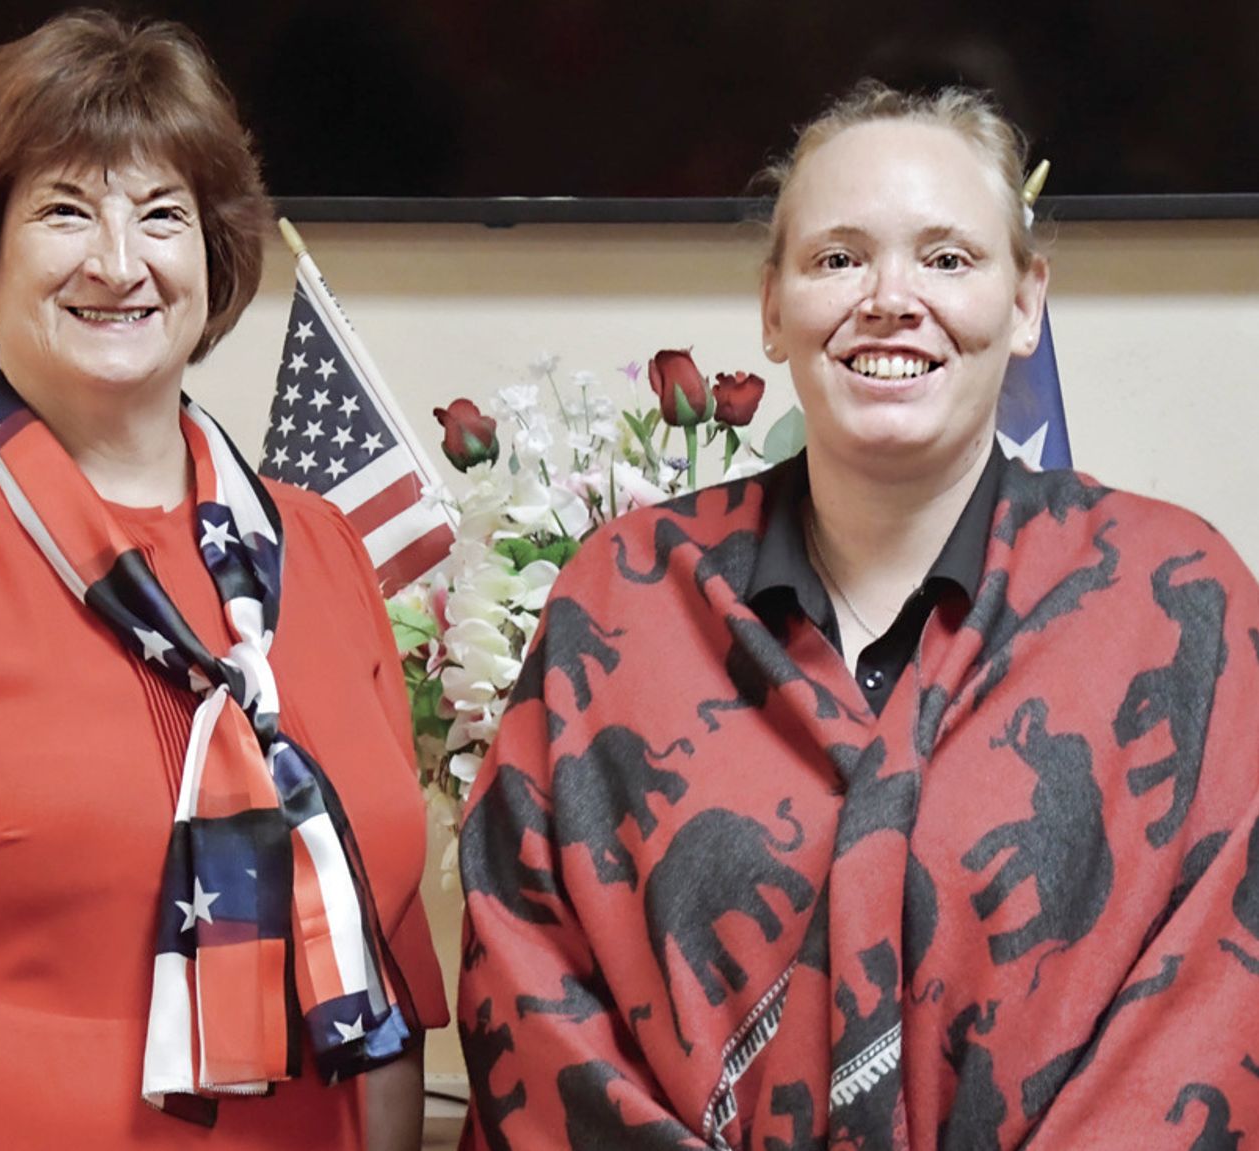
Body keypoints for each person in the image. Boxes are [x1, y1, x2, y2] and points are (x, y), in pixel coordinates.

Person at [457, 80, 1259, 1149]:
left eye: (948, 258)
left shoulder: (1175, 600)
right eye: (838, 258)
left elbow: (1221, 991)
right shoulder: (626, 595)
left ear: (1025, 304)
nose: (890, 296)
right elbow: (524, 973)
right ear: (772, 308)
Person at [0, 11, 446, 1150]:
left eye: (161, 215)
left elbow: (389, 973)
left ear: (215, 259)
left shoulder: (317, 549)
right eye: (65, 210)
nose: (119, 262)